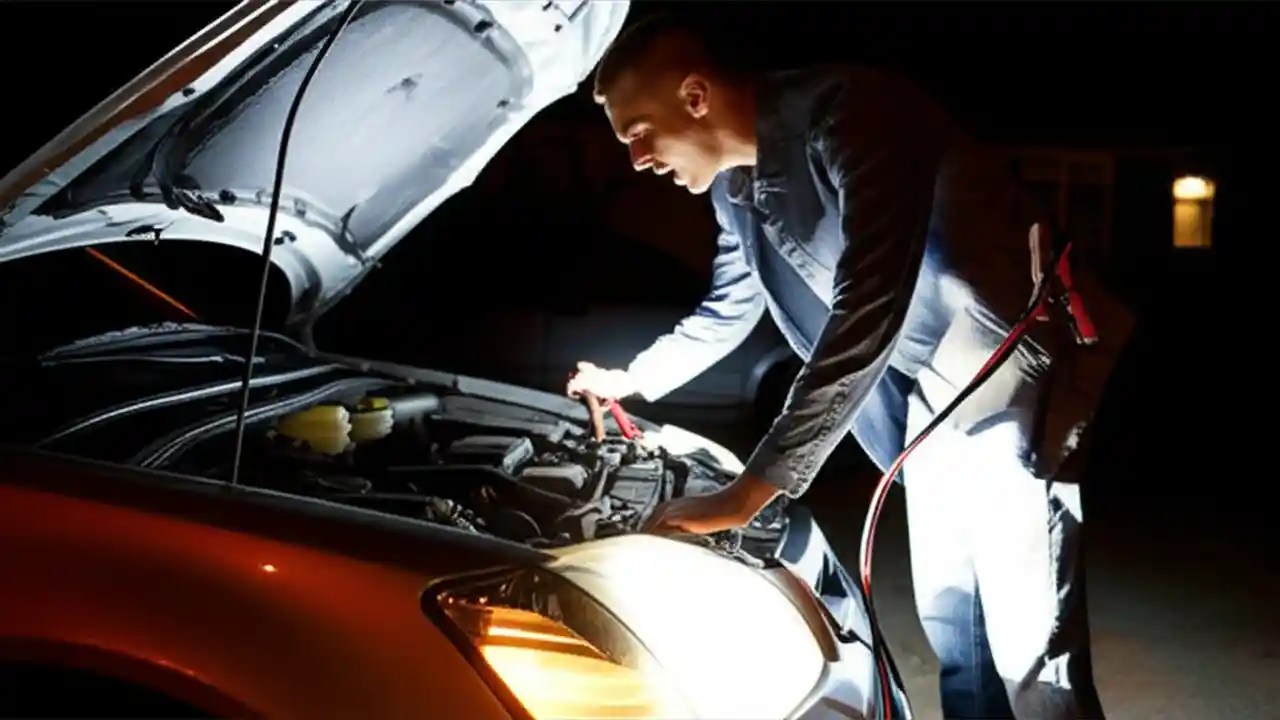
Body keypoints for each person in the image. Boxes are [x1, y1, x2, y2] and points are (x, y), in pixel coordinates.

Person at [566, 13, 1133, 720]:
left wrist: (752, 490)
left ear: (695, 97)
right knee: (958, 636)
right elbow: (729, 310)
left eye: (638, 132)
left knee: (1031, 660)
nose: (637, 160)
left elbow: (867, 306)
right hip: (926, 408)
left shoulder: (856, 115)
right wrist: (632, 378)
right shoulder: (732, 190)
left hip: (1000, 379)